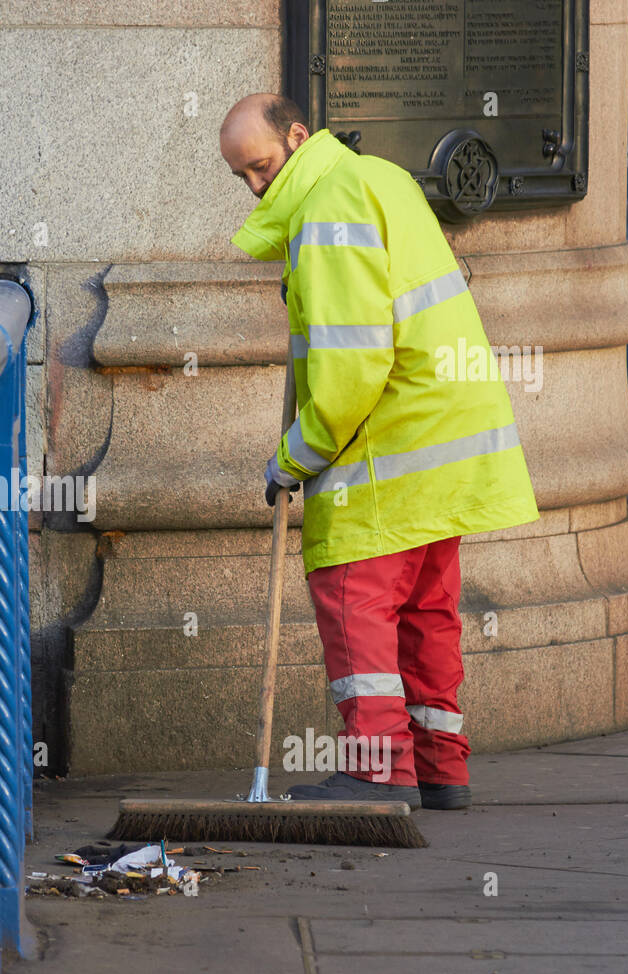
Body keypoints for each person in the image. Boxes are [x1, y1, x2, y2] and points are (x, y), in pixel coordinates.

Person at [221, 94, 540, 811]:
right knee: (428, 612)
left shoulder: (328, 212)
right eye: (240, 176)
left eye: (261, 166)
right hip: (443, 445)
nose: (254, 187)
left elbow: (350, 369)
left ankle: (376, 771)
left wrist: (291, 459)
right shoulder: (381, 179)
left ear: (296, 136)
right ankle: (440, 769)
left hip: (383, 451)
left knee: (353, 602)